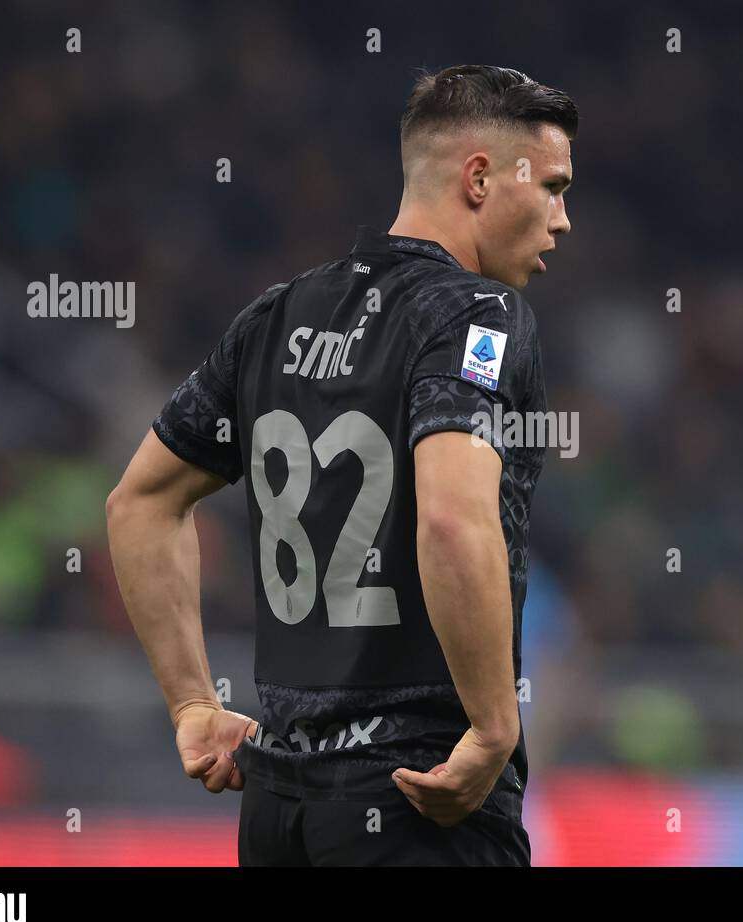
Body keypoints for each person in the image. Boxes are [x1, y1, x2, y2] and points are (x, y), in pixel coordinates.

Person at [106, 64, 576, 865]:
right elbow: (451, 517)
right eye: (554, 188)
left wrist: (193, 705)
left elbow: (139, 502)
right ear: (479, 179)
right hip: (419, 792)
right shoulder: (479, 316)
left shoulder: (275, 313)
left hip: (279, 807)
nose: (563, 220)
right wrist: (495, 727)